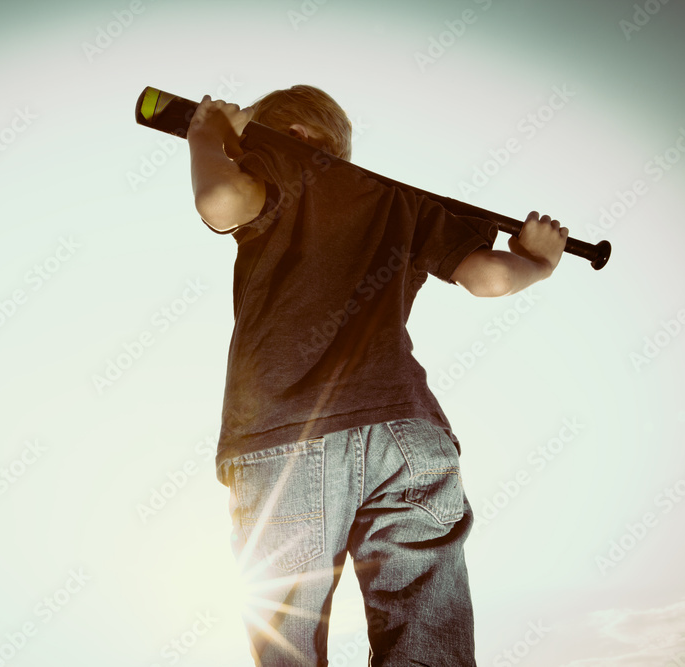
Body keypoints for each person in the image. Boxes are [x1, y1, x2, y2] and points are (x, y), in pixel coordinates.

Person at [186, 85, 568, 666]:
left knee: (286, 635)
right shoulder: (405, 204)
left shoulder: (281, 168)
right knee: (426, 636)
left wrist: (207, 134)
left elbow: (219, 199)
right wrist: (538, 261)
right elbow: (491, 277)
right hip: (406, 433)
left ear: (285, 135)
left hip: (286, 436)